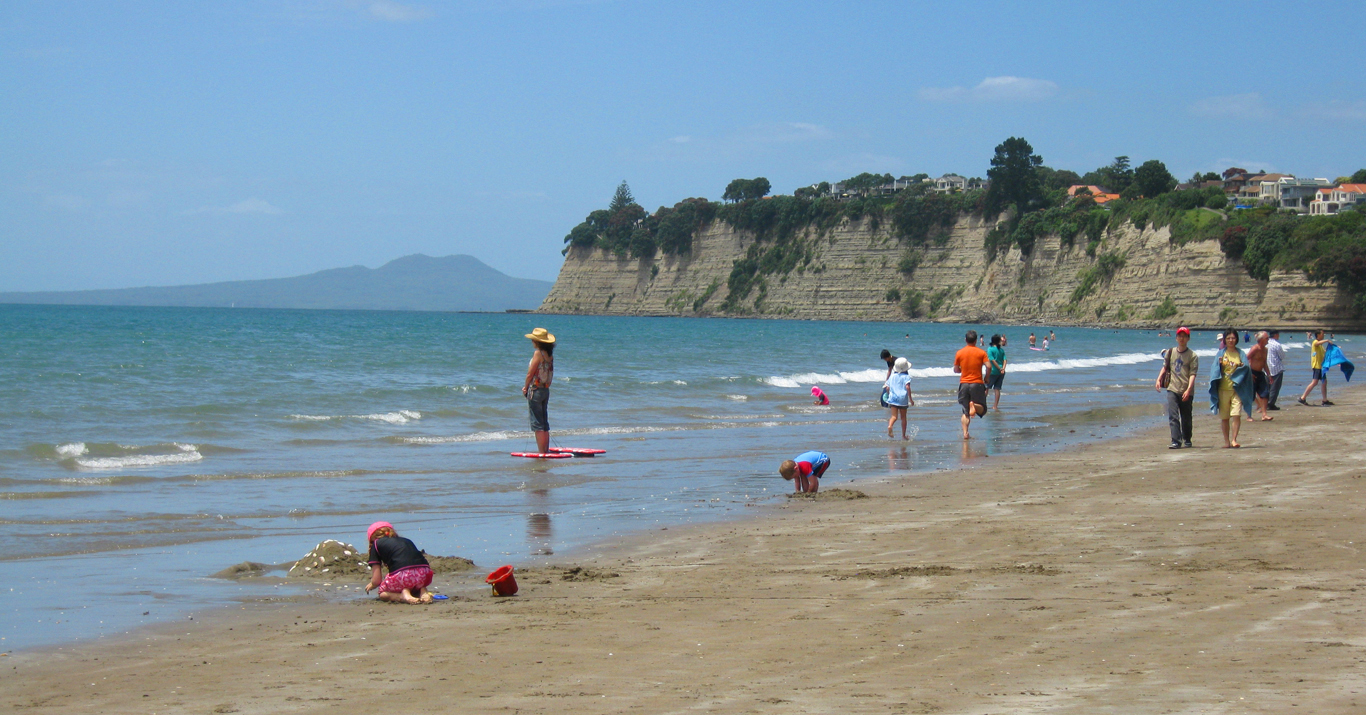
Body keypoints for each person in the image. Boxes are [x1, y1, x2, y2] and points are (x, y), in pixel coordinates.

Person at [364, 521, 434, 604]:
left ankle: (402, 595)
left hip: (403, 576)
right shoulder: (406, 540)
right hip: (423, 574)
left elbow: (377, 580)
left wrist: (373, 584)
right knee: (414, 585)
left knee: (383, 594)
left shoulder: (376, 544)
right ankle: (423, 591)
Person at [1208, 328, 1254, 448]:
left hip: (1237, 389)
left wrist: (1242, 367)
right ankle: (1226, 442)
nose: (1231, 340)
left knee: (1236, 415)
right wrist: (1219, 364)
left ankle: (1234, 440)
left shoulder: (1241, 354)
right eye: (1228, 338)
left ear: (1236, 339)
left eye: (1233, 338)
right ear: (1225, 340)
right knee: (1224, 417)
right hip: (1223, 389)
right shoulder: (1221, 354)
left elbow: (1247, 369)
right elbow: (1214, 371)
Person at [1155, 326, 1199, 449]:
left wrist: (1189, 389)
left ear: (1188, 338)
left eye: (1184, 336)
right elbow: (1165, 367)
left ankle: (1187, 438)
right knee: (1173, 415)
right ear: (1176, 338)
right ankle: (1176, 440)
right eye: (1180, 336)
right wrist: (1159, 379)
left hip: (1186, 390)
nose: (1182, 338)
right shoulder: (1170, 352)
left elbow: (1192, 374)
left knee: (1186, 417)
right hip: (1172, 388)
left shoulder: (1193, 356)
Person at [521, 327, 555, 453]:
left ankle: (542, 452)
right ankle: (545, 450)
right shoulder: (549, 354)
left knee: (537, 424)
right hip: (545, 390)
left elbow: (530, 373)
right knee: (544, 422)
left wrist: (525, 387)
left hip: (535, 389)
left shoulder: (538, 353)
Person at [953, 330, 989, 440]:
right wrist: (986, 378)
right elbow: (989, 366)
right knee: (983, 409)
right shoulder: (981, 353)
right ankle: (973, 404)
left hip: (964, 383)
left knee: (965, 411)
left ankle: (965, 433)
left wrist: (963, 370)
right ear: (976, 341)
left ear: (965, 340)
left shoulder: (960, 353)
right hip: (977, 383)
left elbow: (955, 370)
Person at [1297, 329, 1334, 406]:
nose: (1323, 335)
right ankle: (1302, 398)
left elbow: (1325, 352)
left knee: (1324, 382)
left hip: (1321, 367)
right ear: (1318, 335)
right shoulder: (1315, 342)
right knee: (1315, 382)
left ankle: (1324, 400)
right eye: (1322, 334)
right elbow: (1317, 343)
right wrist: (1327, 340)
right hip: (1317, 366)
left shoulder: (1320, 346)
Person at [884, 357, 914, 439]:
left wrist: (888, 395)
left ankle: (890, 426)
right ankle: (903, 435)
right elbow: (907, 387)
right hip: (902, 400)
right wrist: (911, 399)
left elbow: (887, 388)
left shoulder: (892, 376)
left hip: (893, 399)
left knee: (894, 416)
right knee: (903, 417)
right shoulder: (906, 377)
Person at [1246, 331, 1273, 421]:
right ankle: (1248, 416)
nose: (1268, 339)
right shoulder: (1255, 348)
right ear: (1261, 340)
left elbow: (1264, 363)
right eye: (1266, 338)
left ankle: (1264, 414)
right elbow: (1245, 359)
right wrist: (1249, 373)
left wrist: (1269, 375)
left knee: (1265, 394)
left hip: (1260, 373)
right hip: (1252, 373)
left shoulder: (1265, 350)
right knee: (1251, 395)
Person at [1265, 330, 1286, 410]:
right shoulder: (1277, 344)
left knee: (1267, 387)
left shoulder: (1266, 343)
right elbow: (1282, 356)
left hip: (1266, 367)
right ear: (1276, 335)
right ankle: (1270, 404)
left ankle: (1266, 403)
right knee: (1275, 387)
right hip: (1276, 367)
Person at [986, 334, 1007, 410]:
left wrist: (999, 368)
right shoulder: (1001, 350)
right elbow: (1005, 360)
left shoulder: (990, 349)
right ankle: (995, 406)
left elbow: (992, 360)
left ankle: (983, 404)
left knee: (986, 387)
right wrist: (1003, 369)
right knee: (997, 389)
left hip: (993, 371)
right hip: (1001, 372)